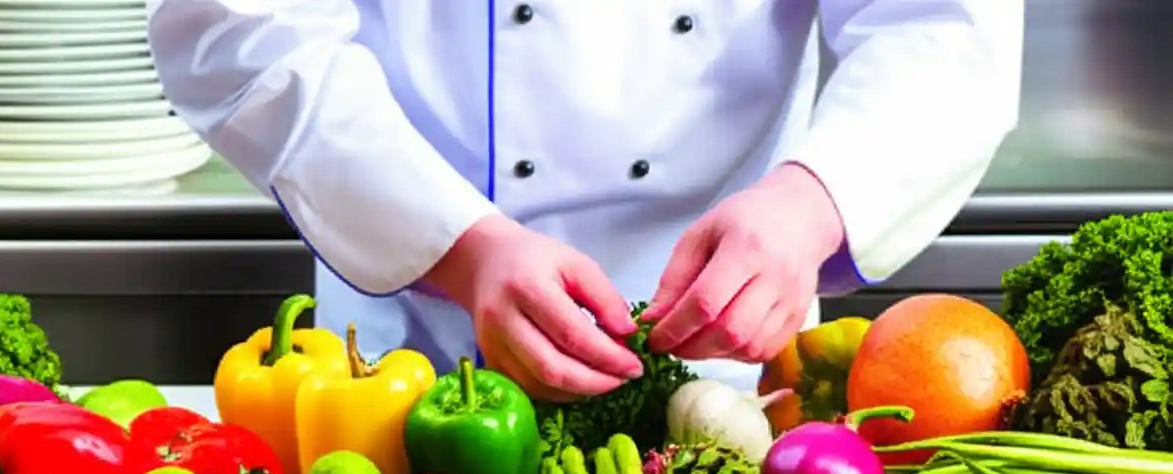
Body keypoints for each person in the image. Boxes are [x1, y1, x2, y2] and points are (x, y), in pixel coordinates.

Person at [148, 1, 1023, 401]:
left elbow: (943, 24)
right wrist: (459, 248)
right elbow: (238, 25)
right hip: (403, 377)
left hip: (730, 391)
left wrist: (811, 205)